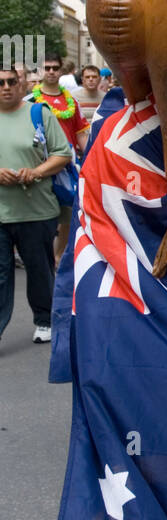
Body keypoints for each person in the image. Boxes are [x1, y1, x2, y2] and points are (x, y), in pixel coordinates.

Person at [0, 65, 72, 346]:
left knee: (39, 268)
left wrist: (37, 171)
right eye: (1, 83)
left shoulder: (38, 114)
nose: (6, 87)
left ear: (22, 85)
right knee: (1, 272)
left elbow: (62, 154)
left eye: (11, 82)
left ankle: (44, 320)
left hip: (36, 209)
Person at [29, 56, 88, 265]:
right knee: (41, 214)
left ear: (61, 71)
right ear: (40, 71)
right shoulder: (31, 100)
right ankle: (40, 256)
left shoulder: (71, 101)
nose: (51, 72)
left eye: (55, 68)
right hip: (39, 164)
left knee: (69, 212)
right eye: (47, 68)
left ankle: (59, 256)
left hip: (66, 166)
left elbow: (81, 132)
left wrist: (89, 155)